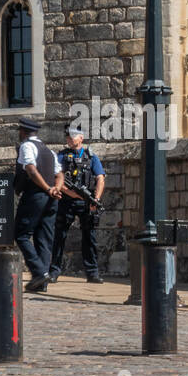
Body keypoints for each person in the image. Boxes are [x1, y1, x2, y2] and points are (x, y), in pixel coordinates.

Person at [49, 122, 107, 285]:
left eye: (72, 136)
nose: (69, 139)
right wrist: (71, 193)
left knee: (90, 237)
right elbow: (57, 176)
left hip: (86, 203)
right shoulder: (62, 155)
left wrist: (95, 198)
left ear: (81, 138)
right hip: (66, 201)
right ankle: (54, 271)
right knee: (59, 236)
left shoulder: (91, 156)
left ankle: (92, 272)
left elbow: (100, 178)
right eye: (67, 136)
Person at [13, 116, 63, 293]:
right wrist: (55, 189)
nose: (19, 133)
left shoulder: (27, 146)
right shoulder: (49, 151)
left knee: (21, 234)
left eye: (20, 130)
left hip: (36, 196)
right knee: (44, 239)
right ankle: (41, 282)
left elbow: (31, 170)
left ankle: (39, 272)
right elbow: (60, 174)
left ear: (24, 131)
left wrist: (49, 189)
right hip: (51, 199)